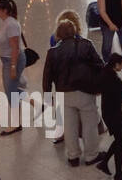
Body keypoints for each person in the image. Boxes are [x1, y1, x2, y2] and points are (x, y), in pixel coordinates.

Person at [42, 18, 105, 168]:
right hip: (84, 91)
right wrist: (99, 87)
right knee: (89, 124)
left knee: (69, 125)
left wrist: (47, 97)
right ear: (74, 31)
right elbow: (99, 65)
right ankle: (91, 155)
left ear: (58, 33)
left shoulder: (52, 52)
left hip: (64, 93)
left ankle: (73, 156)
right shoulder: (86, 45)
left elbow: (47, 77)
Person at [94, 51, 122, 180]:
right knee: (121, 138)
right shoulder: (112, 78)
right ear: (116, 64)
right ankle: (119, 173)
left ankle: (104, 164)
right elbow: (120, 96)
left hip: (108, 112)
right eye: (121, 65)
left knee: (120, 138)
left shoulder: (105, 72)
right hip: (113, 113)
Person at [0, 0, 25, 136]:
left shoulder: (11, 24)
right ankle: (38, 104)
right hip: (8, 60)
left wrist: (13, 66)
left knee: (11, 92)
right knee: (13, 89)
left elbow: (15, 47)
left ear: (3, 10)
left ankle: (16, 124)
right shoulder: (6, 23)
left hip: (12, 60)